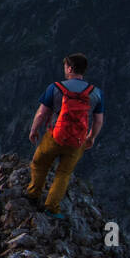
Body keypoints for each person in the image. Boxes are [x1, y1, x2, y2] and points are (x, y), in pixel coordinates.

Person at [26, 53, 104, 216]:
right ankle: (51, 207)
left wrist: (34, 130)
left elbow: (42, 113)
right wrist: (91, 137)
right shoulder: (96, 93)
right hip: (77, 141)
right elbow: (98, 121)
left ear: (69, 68)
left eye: (65, 67)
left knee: (40, 164)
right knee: (63, 174)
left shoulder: (55, 88)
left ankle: (33, 195)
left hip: (54, 136)